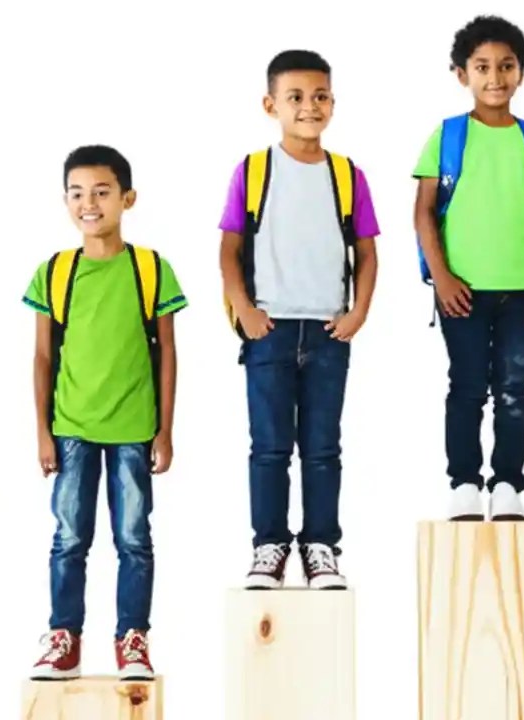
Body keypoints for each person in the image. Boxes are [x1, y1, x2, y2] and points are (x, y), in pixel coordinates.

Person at [218, 49, 381, 591]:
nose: (309, 106)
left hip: (330, 331)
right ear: (271, 105)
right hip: (271, 331)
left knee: (322, 446)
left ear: (333, 102)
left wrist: (358, 312)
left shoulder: (346, 174)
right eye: (296, 97)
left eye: (320, 96)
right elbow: (229, 248)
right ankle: (268, 546)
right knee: (267, 446)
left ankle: (320, 547)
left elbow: (366, 250)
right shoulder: (254, 170)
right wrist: (244, 309)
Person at [25, 145, 187, 680]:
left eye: (101, 192)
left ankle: (132, 639)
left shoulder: (149, 268)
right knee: (69, 537)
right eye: (77, 193)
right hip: (71, 427)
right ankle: (63, 637)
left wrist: (164, 429)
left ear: (127, 198)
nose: (88, 203)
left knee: (134, 539)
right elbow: (44, 355)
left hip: (133, 429)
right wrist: (43, 432)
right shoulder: (55, 271)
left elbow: (166, 352)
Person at [412, 15, 524, 521]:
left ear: (522, 71)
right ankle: (463, 482)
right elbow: (423, 212)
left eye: (506, 66)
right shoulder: (448, 136)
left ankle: (507, 484)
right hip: (462, 291)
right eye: (482, 67)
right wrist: (443, 276)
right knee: (468, 387)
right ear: (462, 74)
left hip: (523, 288)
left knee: (514, 390)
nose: (495, 77)